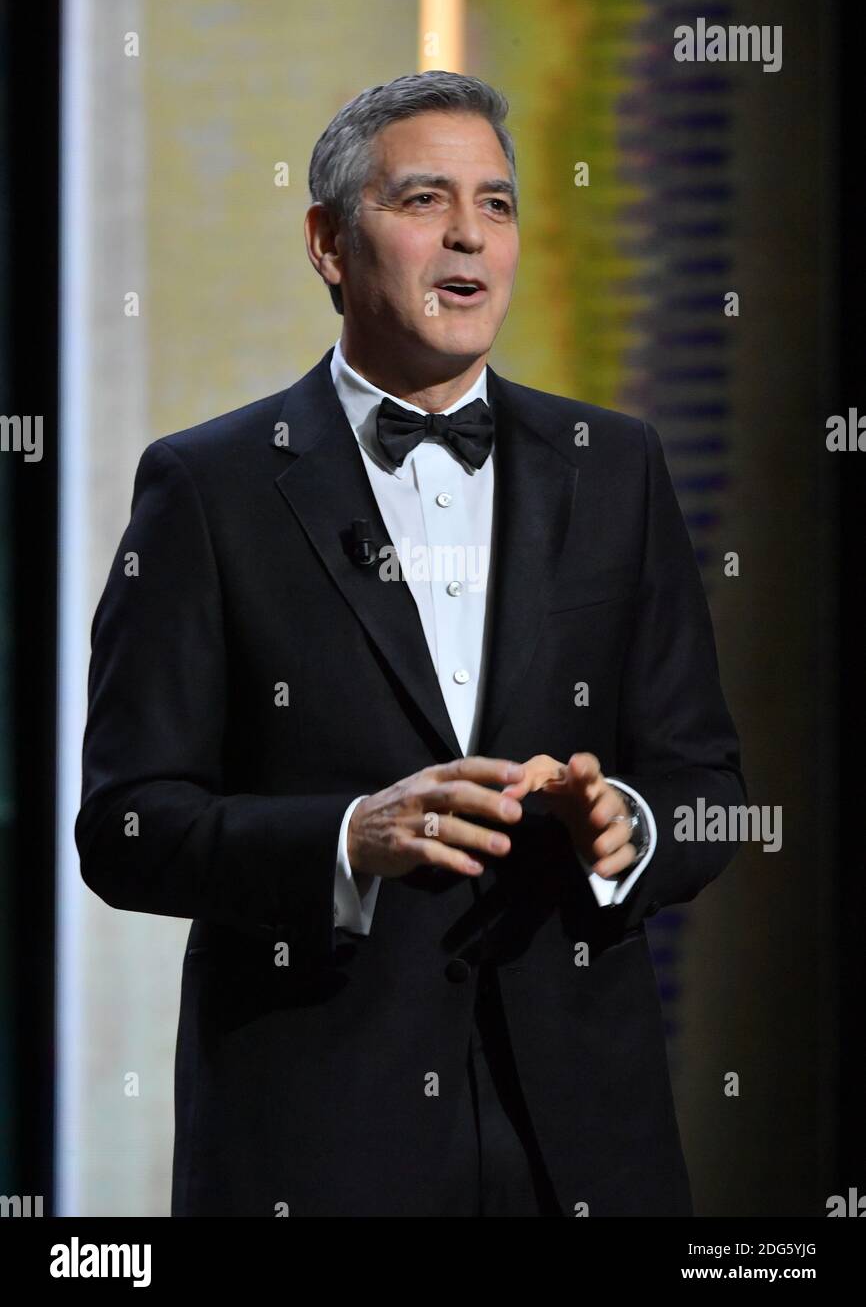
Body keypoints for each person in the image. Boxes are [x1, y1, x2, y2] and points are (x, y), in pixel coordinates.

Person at [75, 70, 747, 1217]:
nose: (467, 237)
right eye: (424, 200)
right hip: (317, 1144)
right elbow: (127, 827)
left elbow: (707, 784)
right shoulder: (206, 488)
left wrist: (623, 823)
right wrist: (350, 837)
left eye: (495, 203)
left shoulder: (614, 465)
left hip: (584, 1140)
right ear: (328, 243)